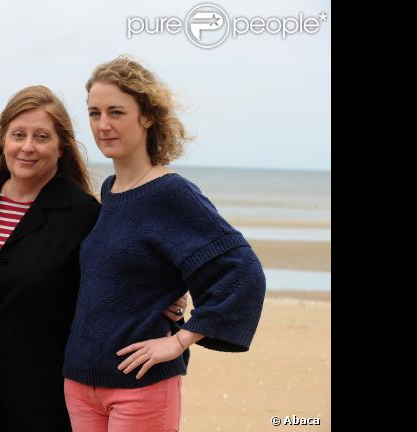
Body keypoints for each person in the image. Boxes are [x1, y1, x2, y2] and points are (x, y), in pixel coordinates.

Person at [0, 85, 188, 432]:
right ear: (3, 140)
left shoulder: (84, 215)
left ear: (61, 146)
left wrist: (167, 296)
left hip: (50, 398)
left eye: (42, 136)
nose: (28, 147)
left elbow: (120, 273)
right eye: (18, 134)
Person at [62, 55, 267, 432]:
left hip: (139, 388)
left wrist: (181, 340)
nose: (103, 125)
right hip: (81, 382)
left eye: (116, 112)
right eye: (94, 113)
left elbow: (242, 271)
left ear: (147, 117)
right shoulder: (110, 191)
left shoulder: (171, 192)